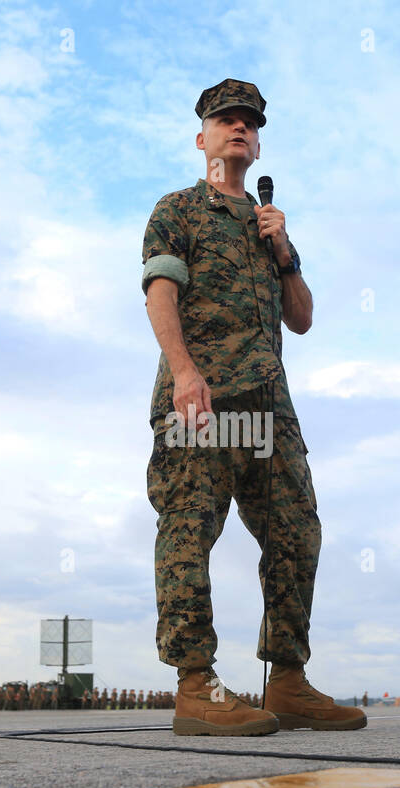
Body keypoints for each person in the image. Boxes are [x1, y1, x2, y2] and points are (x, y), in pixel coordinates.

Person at [141, 78, 364, 736]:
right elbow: (159, 291)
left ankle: (287, 681)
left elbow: (303, 320)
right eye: (225, 119)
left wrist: (285, 252)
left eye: (249, 122)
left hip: (269, 411)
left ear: (258, 144)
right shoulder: (179, 210)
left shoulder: (269, 228)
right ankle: (195, 685)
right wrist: (183, 371)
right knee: (189, 530)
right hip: (202, 400)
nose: (238, 128)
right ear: (202, 137)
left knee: (296, 531)